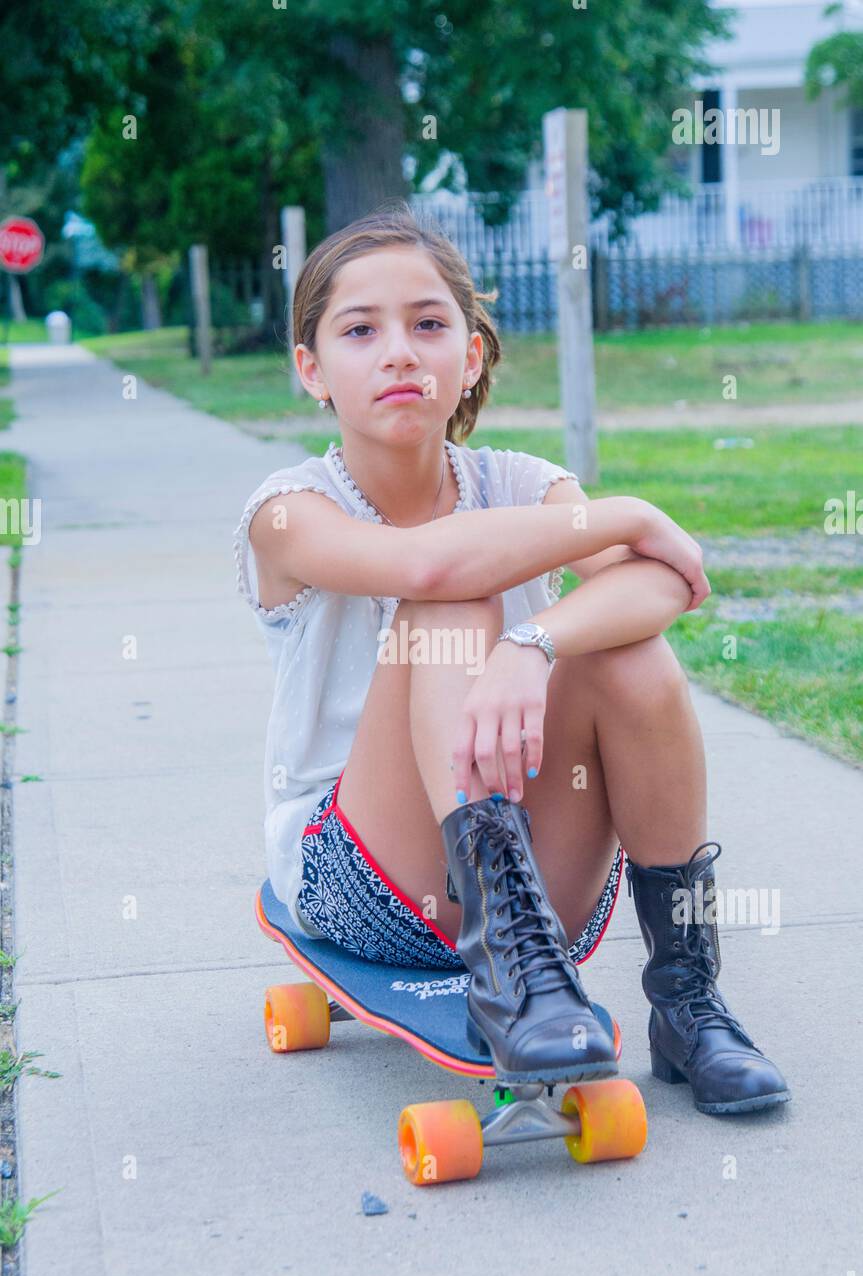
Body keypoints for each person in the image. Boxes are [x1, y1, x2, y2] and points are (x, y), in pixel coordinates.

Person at [233, 199, 789, 1113]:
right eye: (360, 330)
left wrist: (535, 643)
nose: (399, 352)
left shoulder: (519, 483)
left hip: (533, 897)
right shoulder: (287, 512)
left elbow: (659, 587)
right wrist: (627, 514)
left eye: (427, 324)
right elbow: (432, 563)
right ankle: (511, 984)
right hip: (362, 876)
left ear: (472, 354)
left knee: (629, 655)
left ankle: (686, 1001)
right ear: (312, 370)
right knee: (446, 602)